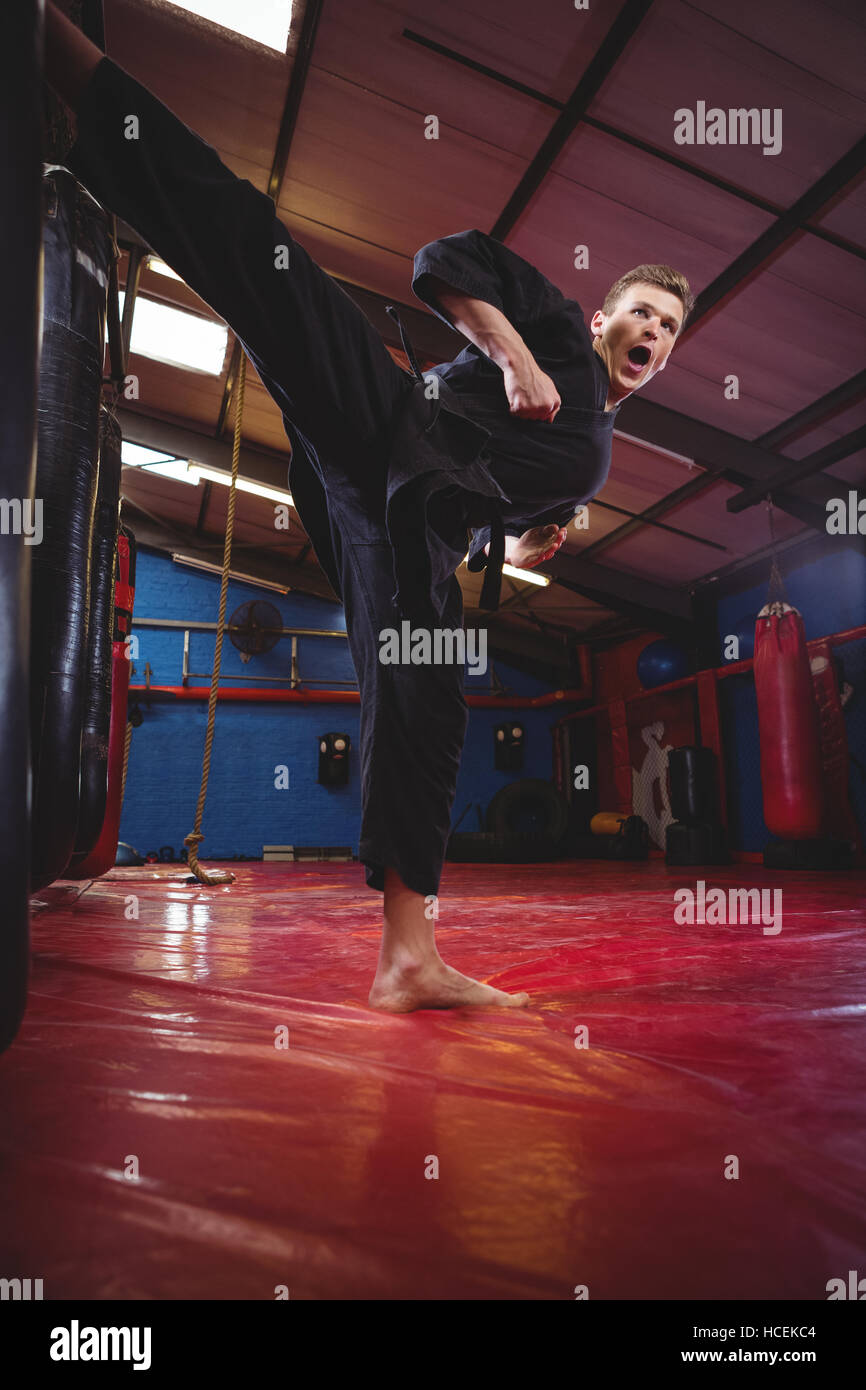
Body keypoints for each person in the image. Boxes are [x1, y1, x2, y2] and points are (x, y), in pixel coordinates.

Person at [43, 2, 693, 1012]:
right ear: (607, 316)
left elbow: (507, 515)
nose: (650, 329)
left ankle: (406, 958)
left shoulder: (593, 459)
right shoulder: (559, 331)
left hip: (408, 524)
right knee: (261, 257)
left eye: (669, 327)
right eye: (642, 311)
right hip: (385, 418)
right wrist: (511, 353)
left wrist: (529, 532)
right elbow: (443, 262)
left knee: (429, 694)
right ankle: (63, 54)